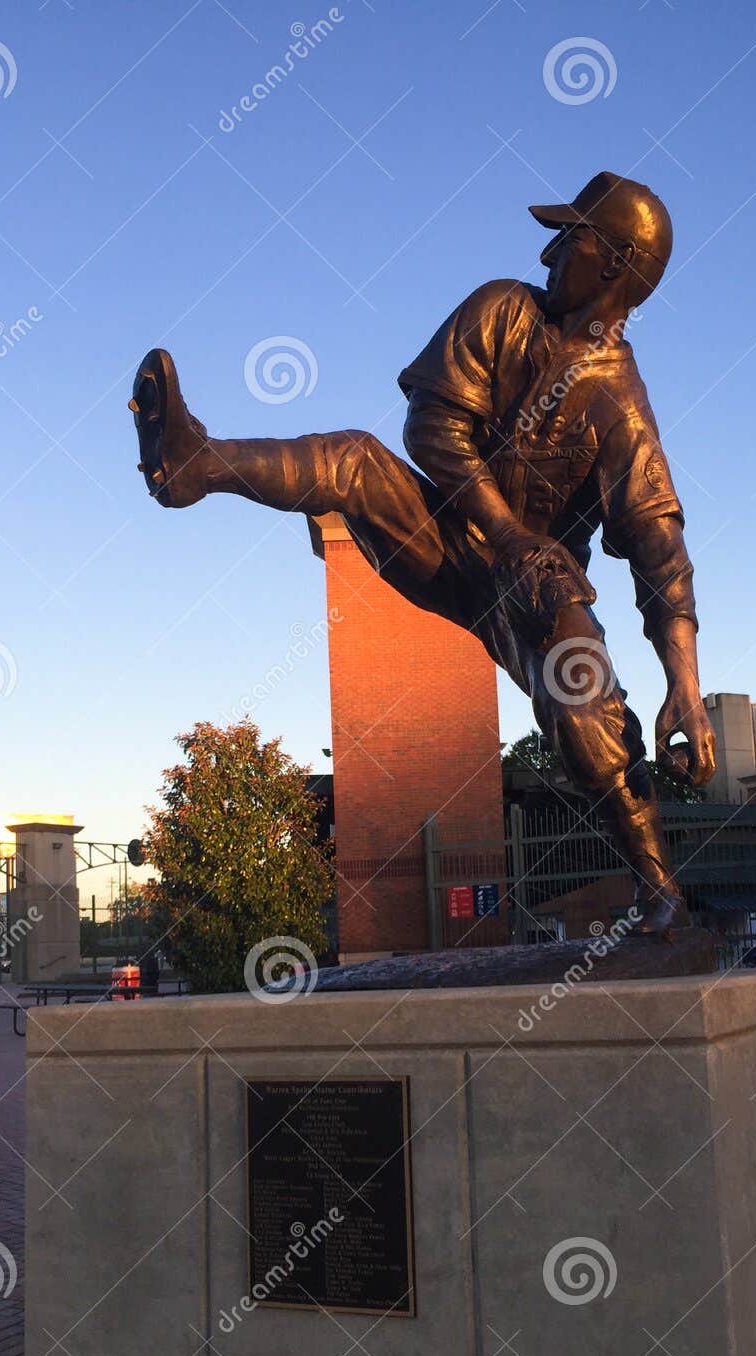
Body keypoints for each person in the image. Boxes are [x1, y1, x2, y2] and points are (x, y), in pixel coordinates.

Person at [129, 172, 716, 930]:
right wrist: (503, 534)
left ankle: (660, 892)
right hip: (446, 535)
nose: (549, 251)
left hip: (532, 592)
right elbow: (429, 429)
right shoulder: (504, 308)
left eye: (570, 237)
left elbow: (659, 549)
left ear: (613, 264)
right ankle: (193, 463)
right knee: (354, 459)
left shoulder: (620, 404)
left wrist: (688, 690)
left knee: (581, 699)